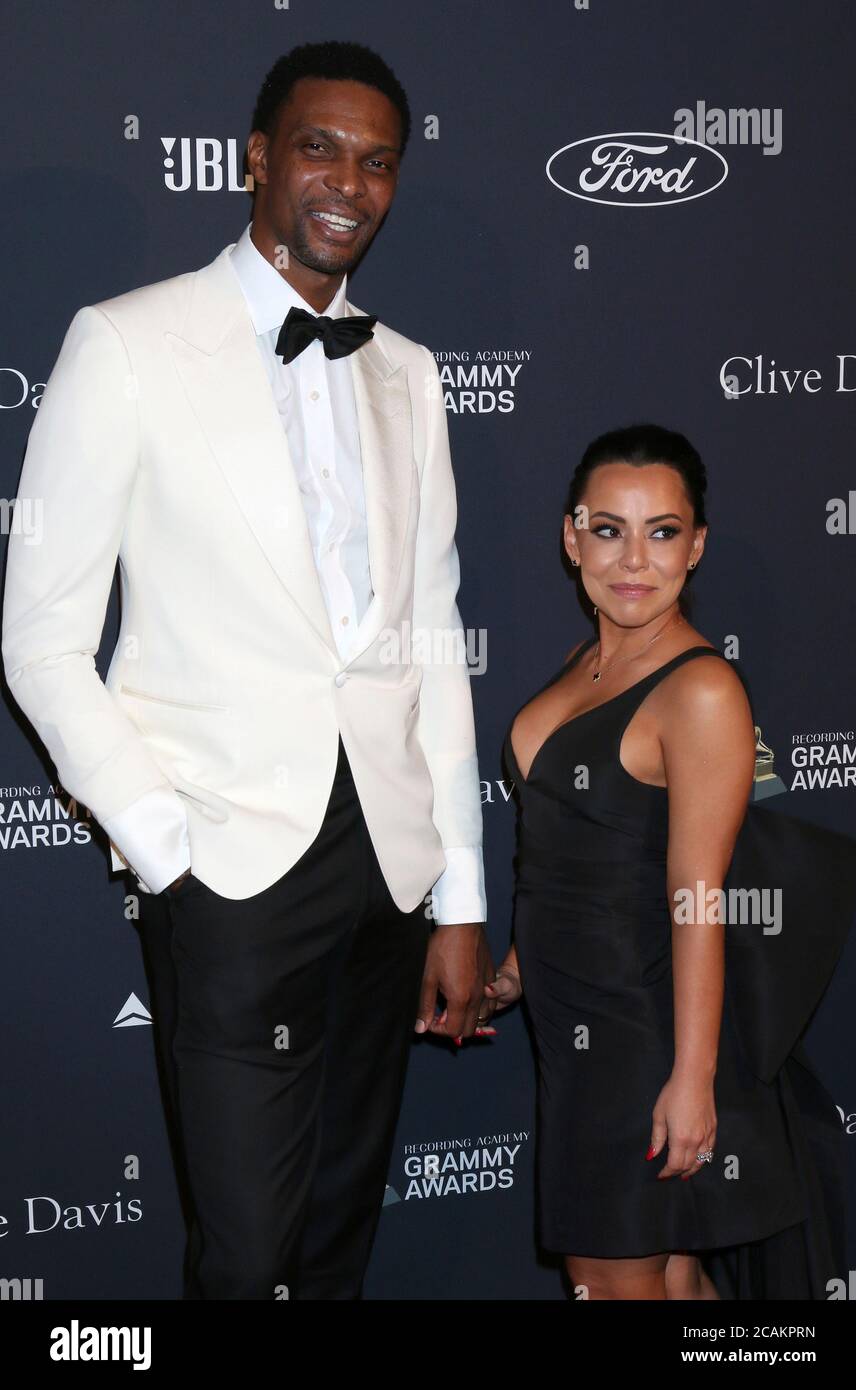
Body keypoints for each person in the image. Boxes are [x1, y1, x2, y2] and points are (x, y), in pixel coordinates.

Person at [2, 40, 495, 1300]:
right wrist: (167, 849)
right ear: (256, 159)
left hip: (385, 865)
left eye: (377, 161)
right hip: (225, 865)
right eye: (320, 148)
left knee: (334, 1242)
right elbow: (40, 637)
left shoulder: (409, 374)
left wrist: (456, 891)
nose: (349, 183)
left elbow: (431, 637)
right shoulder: (126, 342)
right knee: (245, 1256)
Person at [488, 423, 856, 1300]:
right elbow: (575, 852)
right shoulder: (587, 662)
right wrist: (512, 973)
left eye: (662, 532)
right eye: (608, 529)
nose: (634, 560)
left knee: (609, 1274)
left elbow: (699, 900)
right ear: (571, 538)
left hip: (641, 1034)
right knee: (672, 1278)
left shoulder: (699, 689)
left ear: (695, 547)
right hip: (573, 1028)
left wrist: (693, 1082)